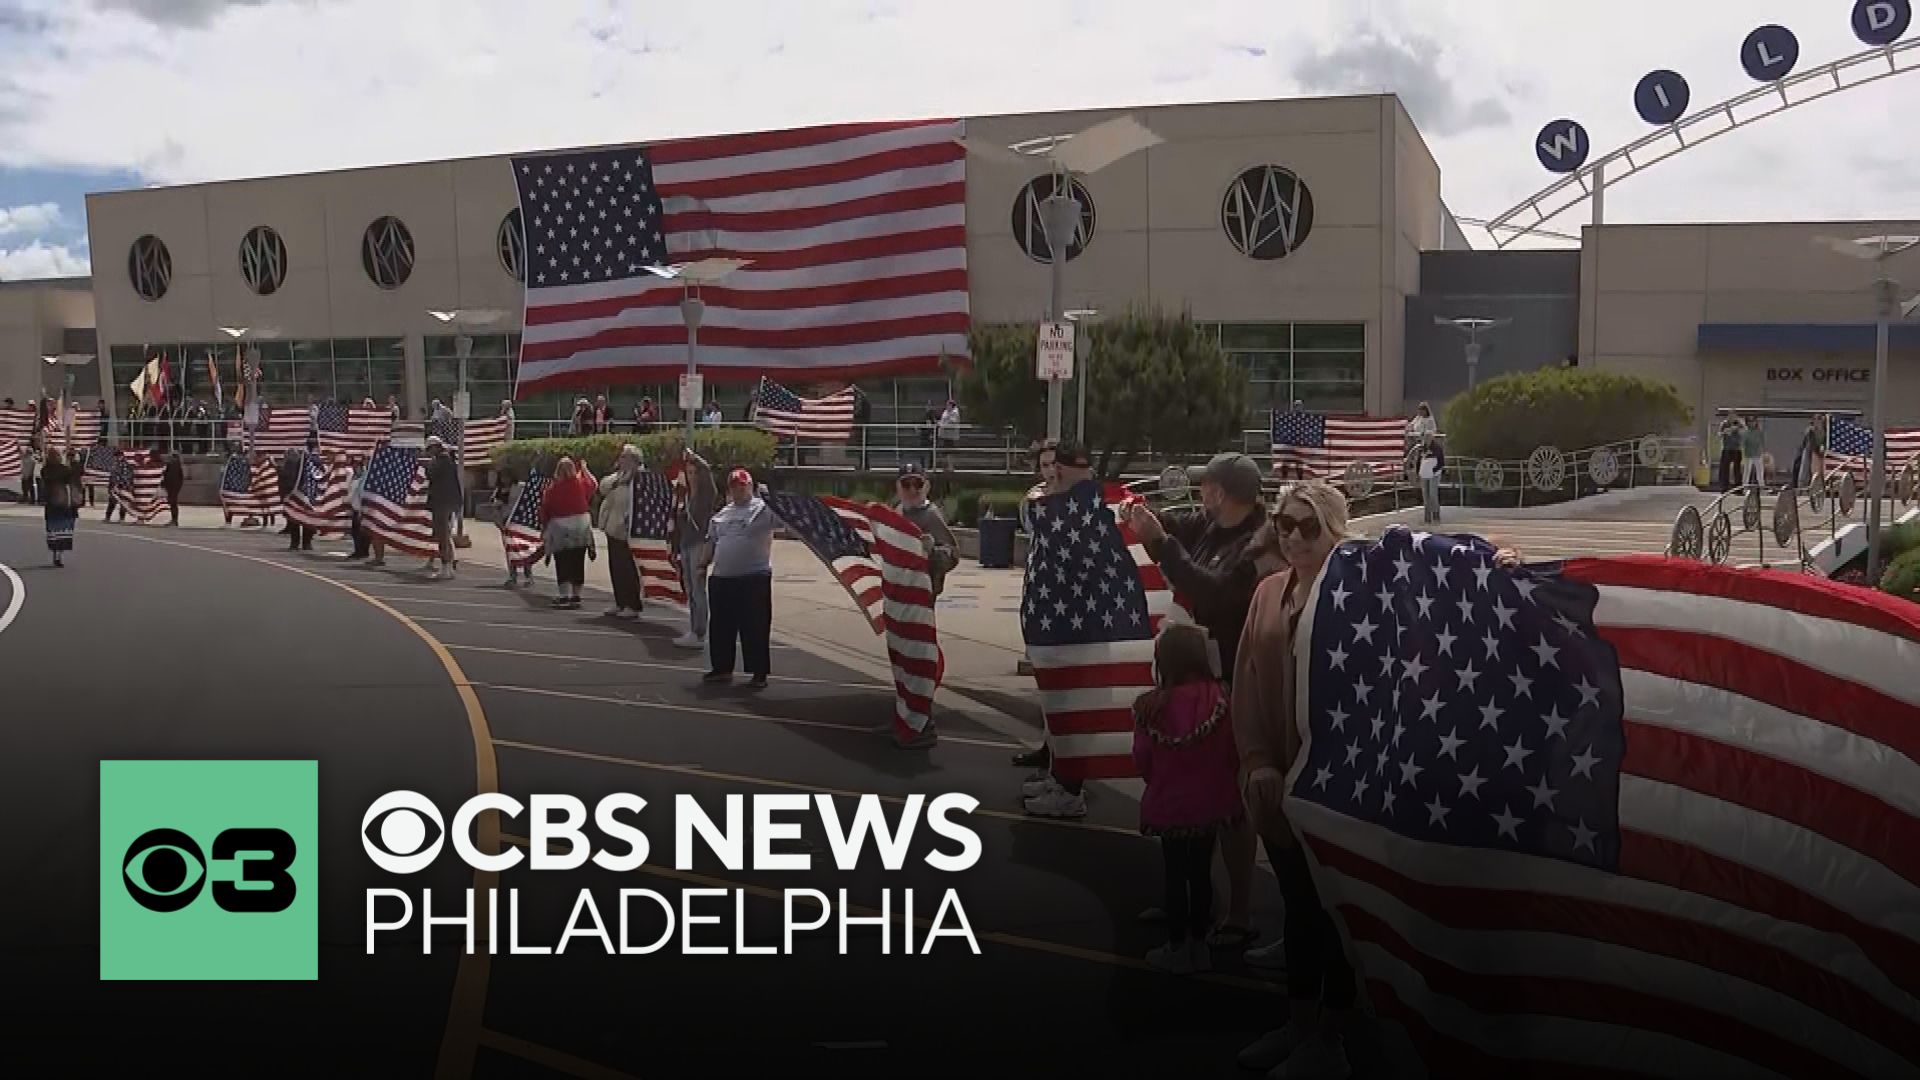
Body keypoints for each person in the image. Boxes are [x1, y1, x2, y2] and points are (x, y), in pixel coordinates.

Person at [1232, 481, 1521, 1077]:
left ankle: (1331, 1039)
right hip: (1277, 782)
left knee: (1330, 914)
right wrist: (1257, 758)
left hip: (1342, 787)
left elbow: (1432, 562)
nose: (1291, 536)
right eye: (1283, 524)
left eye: (1307, 526)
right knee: (1297, 908)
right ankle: (1298, 1024)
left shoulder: (1363, 586)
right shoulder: (1265, 595)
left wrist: (1494, 557)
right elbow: (1246, 684)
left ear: (1336, 531)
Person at [1121, 451, 1273, 950]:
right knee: (1196, 799)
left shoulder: (1256, 548)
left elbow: (1212, 594)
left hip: (1230, 683)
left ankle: (1238, 910)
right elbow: (1173, 526)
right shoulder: (1210, 526)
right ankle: (1191, 897)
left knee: (1231, 805)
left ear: (1219, 492)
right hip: (1192, 679)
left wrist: (1160, 544)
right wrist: (1144, 518)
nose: (1200, 495)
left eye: (1205, 486)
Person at [1133, 621, 1243, 976]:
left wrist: (1160, 779)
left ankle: (1177, 946)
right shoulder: (1221, 700)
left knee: (1174, 875)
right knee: (1200, 875)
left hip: (1169, 803)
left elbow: (1143, 760)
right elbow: (1233, 752)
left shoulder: (1150, 707)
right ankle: (1200, 946)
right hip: (1211, 801)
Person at [703, 468, 777, 688]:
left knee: (755, 626)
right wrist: (701, 565)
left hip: (754, 577)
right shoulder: (722, 514)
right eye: (735, 486)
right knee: (720, 626)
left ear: (751, 486)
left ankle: (759, 673)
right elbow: (711, 541)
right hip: (722, 578)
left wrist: (771, 498)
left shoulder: (763, 509)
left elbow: (784, 519)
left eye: (742, 485)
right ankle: (722, 668)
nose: (738, 490)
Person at [672, 448, 719, 650]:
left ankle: (700, 632)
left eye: (694, 473)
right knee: (690, 588)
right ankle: (693, 629)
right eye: (689, 473)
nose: (691, 477)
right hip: (687, 543)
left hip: (700, 543)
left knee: (698, 590)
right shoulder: (688, 497)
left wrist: (694, 458)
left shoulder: (705, 496)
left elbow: (707, 472)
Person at [893, 462, 956, 598]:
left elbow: (953, 553)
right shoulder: (895, 513)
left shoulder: (931, 514)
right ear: (898, 487)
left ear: (926, 486)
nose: (912, 490)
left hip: (923, 589)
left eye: (917, 484)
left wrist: (933, 551)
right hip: (898, 587)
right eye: (906, 485)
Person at [540, 456, 596, 609]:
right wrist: (585, 469)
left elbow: (546, 509)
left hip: (561, 529)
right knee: (578, 562)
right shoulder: (581, 483)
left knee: (563, 561)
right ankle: (576, 595)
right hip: (581, 526)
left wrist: (544, 528)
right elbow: (594, 485)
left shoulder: (552, 489)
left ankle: (564, 596)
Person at [597, 445, 645, 619]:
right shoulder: (617, 478)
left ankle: (632, 605)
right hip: (613, 528)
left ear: (633, 460)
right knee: (616, 567)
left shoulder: (640, 478)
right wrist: (618, 480)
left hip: (629, 530)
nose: (621, 460)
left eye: (624, 457)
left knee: (629, 569)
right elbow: (603, 487)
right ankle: (620, 602)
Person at [423, 436, 463, 579]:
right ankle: (449, 565)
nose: (428, 452)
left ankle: (446, 566)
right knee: (444, 533)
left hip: (442, 502)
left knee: (442, 535)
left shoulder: (442, 461)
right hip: (447, 501)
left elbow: (430, 474)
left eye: (429, 449)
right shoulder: (446, 459)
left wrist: (427, 464)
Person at [491, 469, 532, 586]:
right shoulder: (498, 491)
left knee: (523, 549)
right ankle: (512, 576)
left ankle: (528, 575)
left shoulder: (520, 487)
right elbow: (495, 508)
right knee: (510, 551)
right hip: (505, 523)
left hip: (519, 522)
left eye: (507, 477)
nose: (505, 480)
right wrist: (499, 523)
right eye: (503, 477)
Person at [40, 449, 78, 568]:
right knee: (64, 529)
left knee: (53, 529)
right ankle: (59, 554)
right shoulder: (65, 470)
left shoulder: (45, 470)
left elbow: (44, 486)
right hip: (63, 503)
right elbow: (73, 482)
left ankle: (55, 553)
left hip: (51, 504)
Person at [1799, 414, 1828, 509]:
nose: (1818, 421)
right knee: (1805, 470)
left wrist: (1823, 449)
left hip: (1822, 453)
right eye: (1816, 419)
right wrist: (1817, 449)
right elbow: (1810, 443)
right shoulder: (1810, 431)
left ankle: (1820, 490)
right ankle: (1803, 489)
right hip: (1810, 451)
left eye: (1820, 419)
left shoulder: (1826, 431)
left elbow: (1826, 441)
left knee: (1820, 472)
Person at [1418, 435, 1445, 523]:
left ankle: (1436, 515)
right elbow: (1419, 461)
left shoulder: (1437, 448)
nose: (1426, 440)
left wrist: (1434, 470)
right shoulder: (1422, 448)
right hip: (1424, 474)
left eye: (1428, 438)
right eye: (1425, 438)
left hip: (1434, 474)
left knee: (1433, 494)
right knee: (1425, 496)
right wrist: (1418, 472)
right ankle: (1427, 517)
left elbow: (1441, 462)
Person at [1717, 413, 1744, 492]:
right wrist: (1725, 432)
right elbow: (1719, 434)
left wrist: (1738, 428)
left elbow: (1745, 432)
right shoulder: (1724, 424)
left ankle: (1738, 488)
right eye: (1730, 416)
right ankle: (1724, 487)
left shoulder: (1739, 423)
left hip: (1737, 449)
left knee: (1737, 469)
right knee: (1724, 469)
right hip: (1726, 448)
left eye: (1733, 416)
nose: (1732, 418)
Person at [1741, 414, 1766, 490]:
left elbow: (1762, 442)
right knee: (1747, 472)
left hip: (1758, 454)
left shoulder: (1759, 432)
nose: (1751, 423)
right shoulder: (1746, 432)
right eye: (1750, 421)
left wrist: (1762, 451)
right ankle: (1745, 488)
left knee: (1760, 473)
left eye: (1753, 421)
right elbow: (1743, 442)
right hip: (1748, 454)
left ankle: (1762, 487)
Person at [162, 451, 184, 527]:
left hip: (172, 486)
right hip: (173, 486)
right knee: (173, 503)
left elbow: (166, 475)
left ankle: (174, 520)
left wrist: (164, 484)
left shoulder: (171, 464)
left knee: (173, 503)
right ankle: (174, 520)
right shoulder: (177, 465)